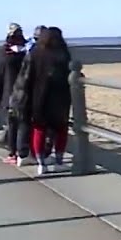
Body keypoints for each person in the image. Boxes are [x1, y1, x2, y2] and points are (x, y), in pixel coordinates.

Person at [11, 26, 73, 174]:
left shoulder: (34, 53)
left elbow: (24, 77)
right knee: (61, 130)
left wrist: (21, 97)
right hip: (60, 98)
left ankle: (41, 164)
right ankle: (58, 161)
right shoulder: (63, 54)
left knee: (39, 129)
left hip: (38, 97)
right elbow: (68, 74)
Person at [0, 25, 31, 163]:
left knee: (12, 124)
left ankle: (12, 153)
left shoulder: (5, 54)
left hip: (9, 93)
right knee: (23, 124)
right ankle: (22, 153)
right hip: (25, 92)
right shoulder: (27, 53)